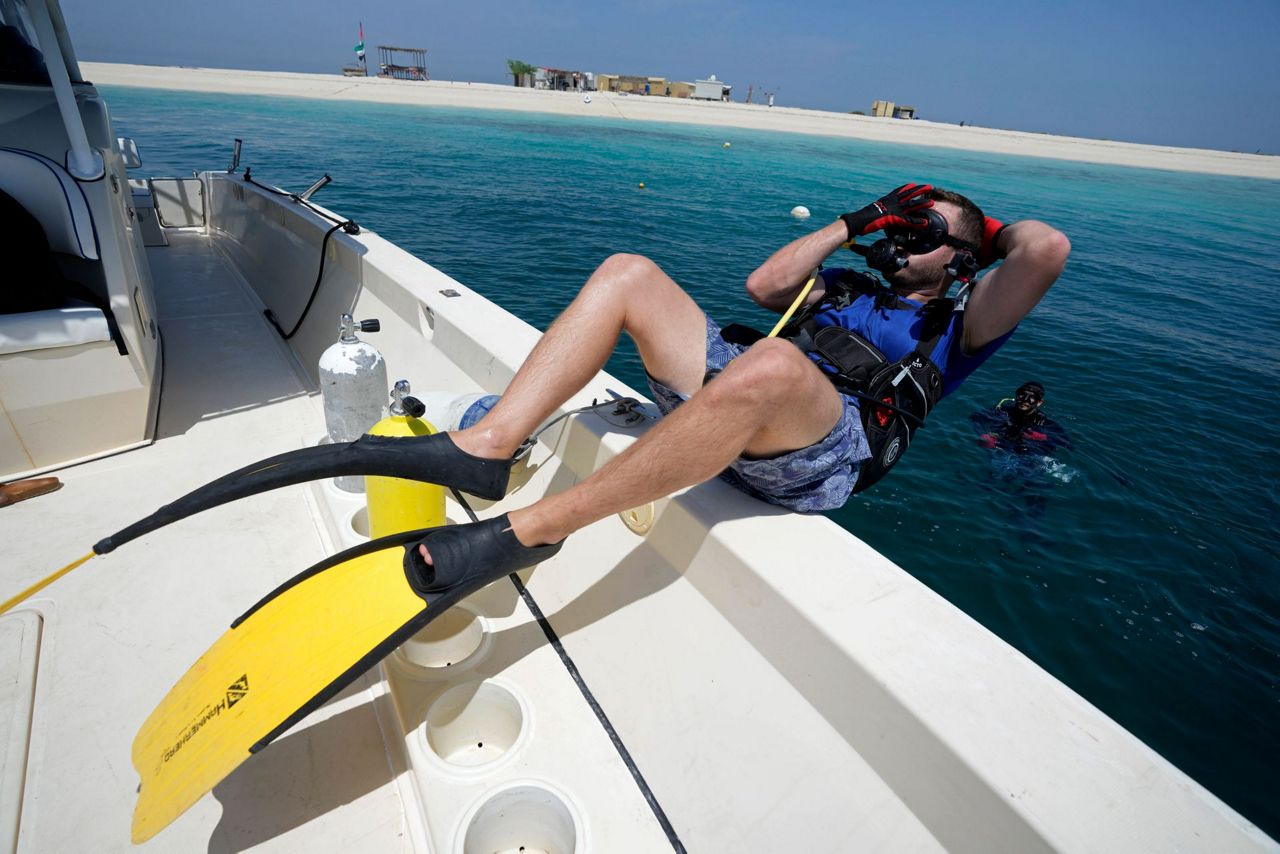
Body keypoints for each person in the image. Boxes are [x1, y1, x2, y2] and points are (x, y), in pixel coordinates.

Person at [417, 182, 1071, 566]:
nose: (904, 240)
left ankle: (537, 527)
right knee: (628, 273)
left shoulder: (965, 322)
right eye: (905, 226)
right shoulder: (846, 286)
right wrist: (859, 220)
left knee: (777, 361)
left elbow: (1046, 249)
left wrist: (982, 231)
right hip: (744, 400)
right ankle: (490, 445)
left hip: (827, 452)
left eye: (922, 232)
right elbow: (764, 285)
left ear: (963, 258)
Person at [971, 381, 1072, 455]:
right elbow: (976, 417)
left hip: (1028, 452)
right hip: (1002, 447)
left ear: (1039, 402)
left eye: (1031, 398)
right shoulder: (1003, 411)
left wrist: (1043, 438)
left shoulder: (1042, 422)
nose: (1025, 400)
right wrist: (985, 434)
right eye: (1021, 395)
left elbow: (1065, 443)